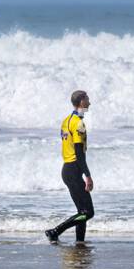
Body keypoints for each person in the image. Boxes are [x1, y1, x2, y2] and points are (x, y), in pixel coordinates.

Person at [46, 91, 95, 243]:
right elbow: (79, 153)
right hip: (74, 169)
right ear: (81, 102)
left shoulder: (66, 120)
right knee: (88, 212)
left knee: (82, 212)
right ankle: (56, 231)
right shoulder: (79, 124)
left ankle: (80, 242)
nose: (89, 102)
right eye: (87, 99)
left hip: (67, 169)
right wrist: (87, 175)